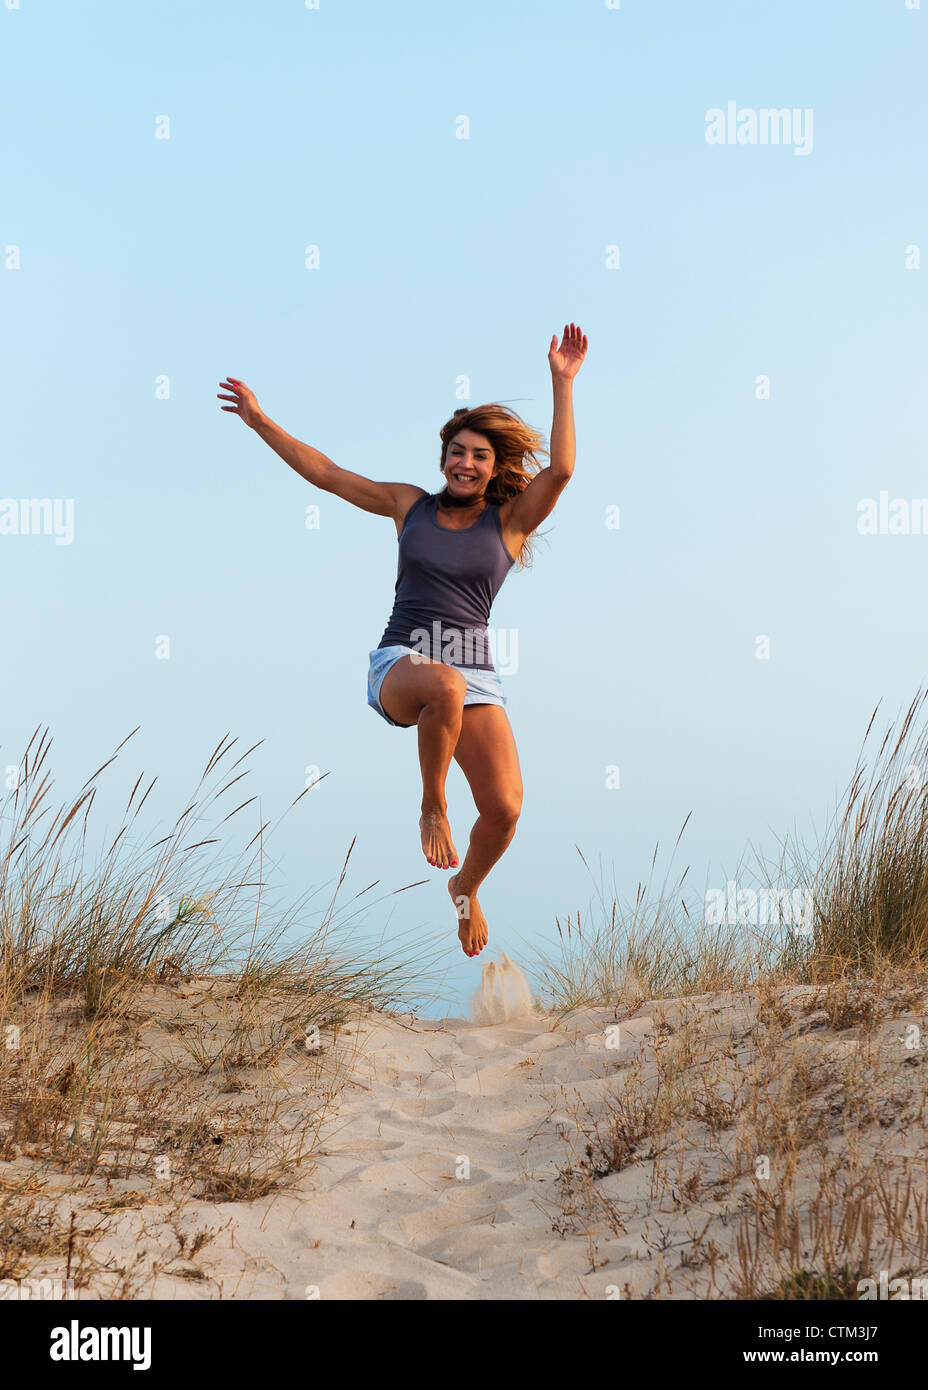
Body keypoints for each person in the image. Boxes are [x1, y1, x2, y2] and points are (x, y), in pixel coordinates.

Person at [217, 323, 588, 957]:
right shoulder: (408, 506)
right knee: (440, 682)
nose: (465, 463)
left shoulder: (510, 522)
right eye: (457, 452)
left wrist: (561, 382)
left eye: (479, 456)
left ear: (494, 468)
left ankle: (465, 890)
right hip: (401, 663)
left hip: (475, 674)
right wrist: (259, 421)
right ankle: (432, 808)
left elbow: (561, 470)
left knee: (504, 810)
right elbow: (329, 475)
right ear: (443, 457)